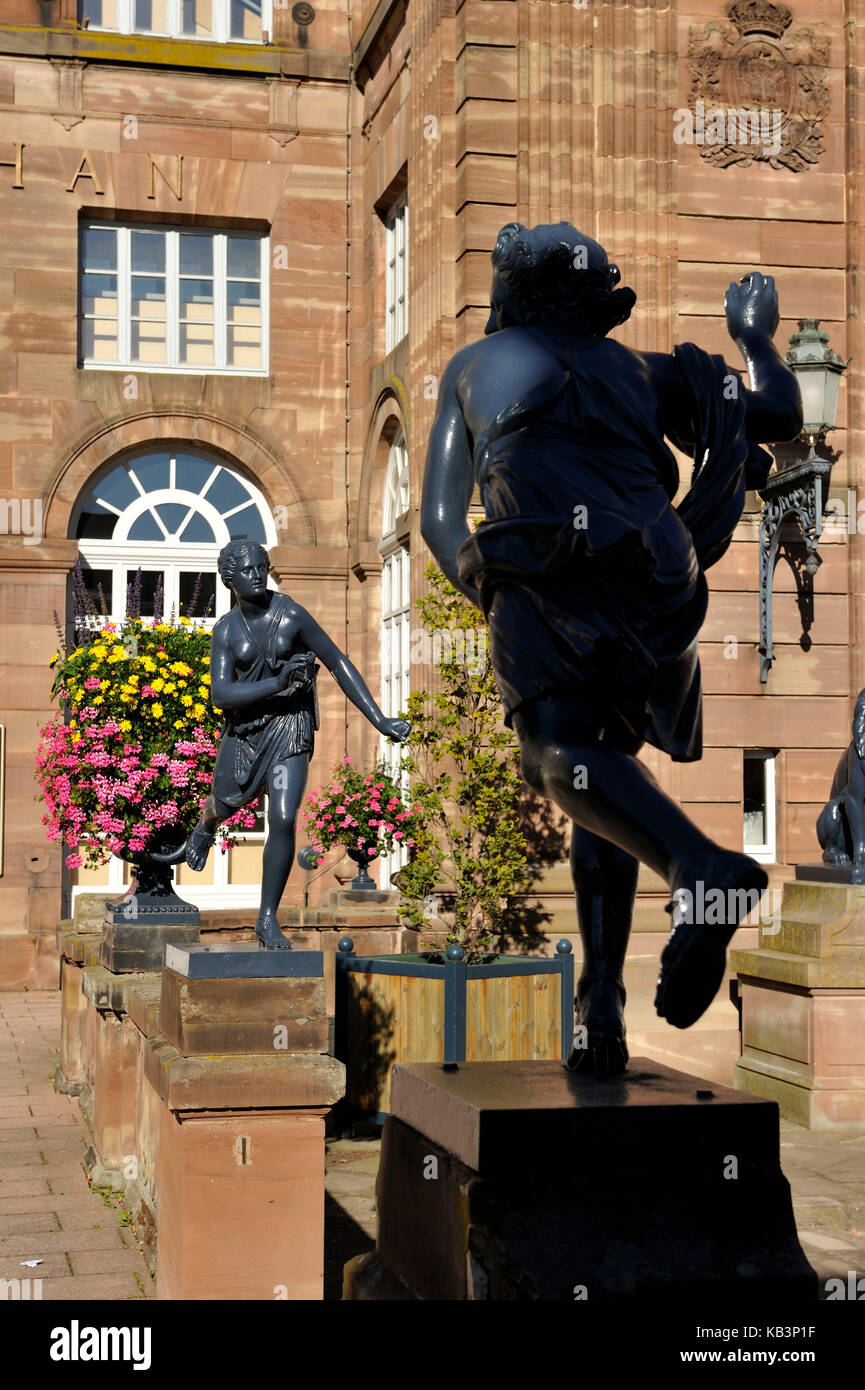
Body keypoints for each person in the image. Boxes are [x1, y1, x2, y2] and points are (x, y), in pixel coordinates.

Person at [420, 221, 803, 1076]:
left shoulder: (474, 368)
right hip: (658, 575)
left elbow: (440, 522)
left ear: (511, 292)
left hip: (550, 560)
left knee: (558, 755)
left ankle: (699, 866)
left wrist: (495, 591)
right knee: (603, 777)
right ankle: (600, 1005)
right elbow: (779, 410)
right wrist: (752, 337)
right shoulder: (642, 370)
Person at [186, 539, 410, 949]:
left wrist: (378, 718)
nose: (257, 575)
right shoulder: (226, 630)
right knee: (225, 801)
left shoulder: (290, 615)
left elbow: (339, 660)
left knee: (285, 819)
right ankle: (205, 826)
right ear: (230, 580)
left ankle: (267, 916)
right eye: (248, 570)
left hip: (291, 724)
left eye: (262, 567)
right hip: (248, 729)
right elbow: (221, 694)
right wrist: (278, 682)